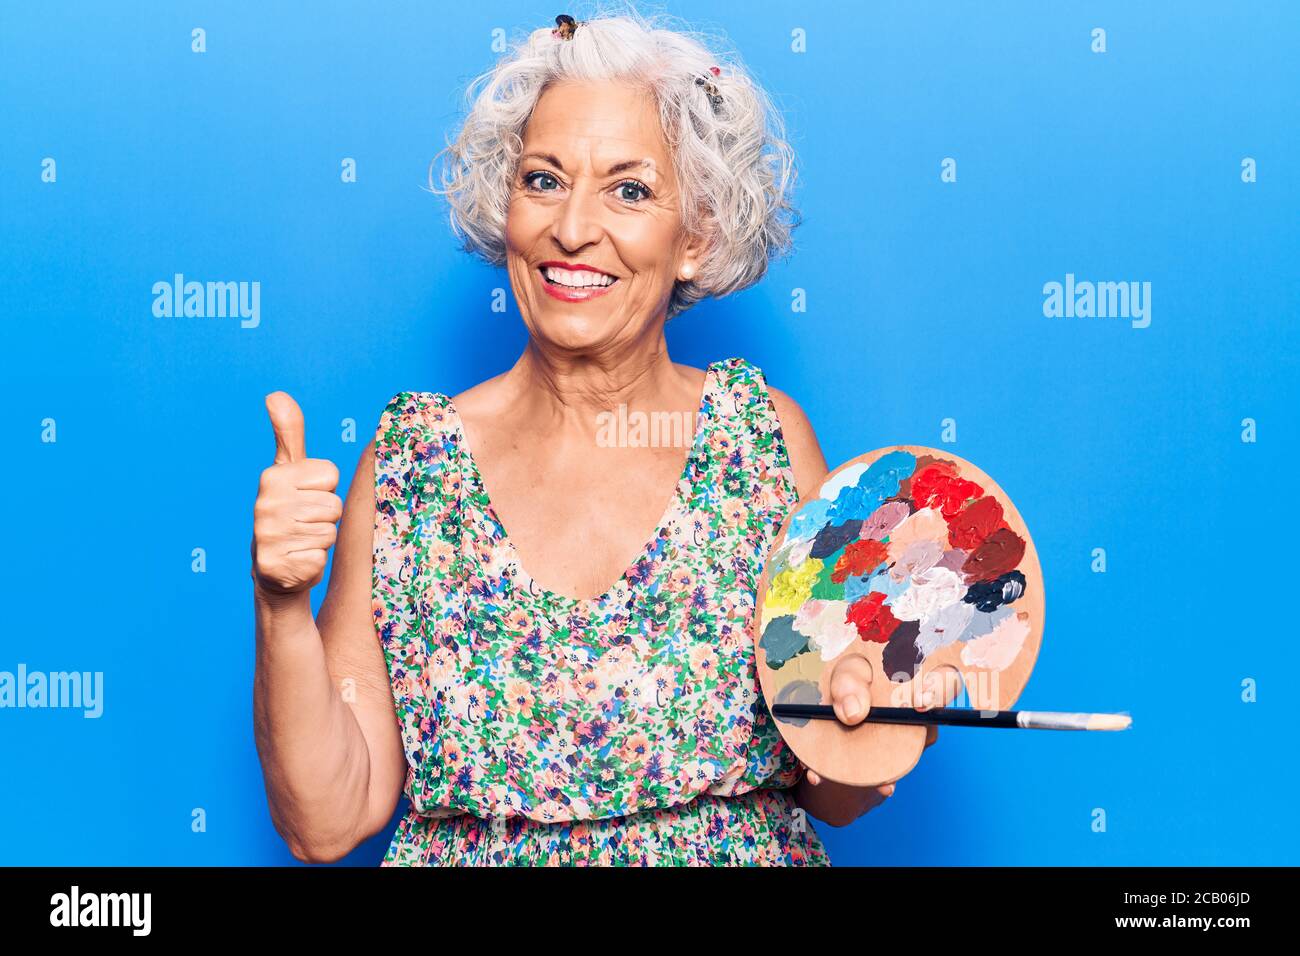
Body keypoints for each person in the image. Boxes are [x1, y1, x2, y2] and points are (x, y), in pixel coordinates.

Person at [250, 7, 942, 866]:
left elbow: (830, 789)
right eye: (543, 179)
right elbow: (327, 821)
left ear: (698, 236)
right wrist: (282, 604)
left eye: (630, 189)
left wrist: (882, 724)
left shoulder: (761, 441)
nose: (572, 228)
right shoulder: (411, 463)